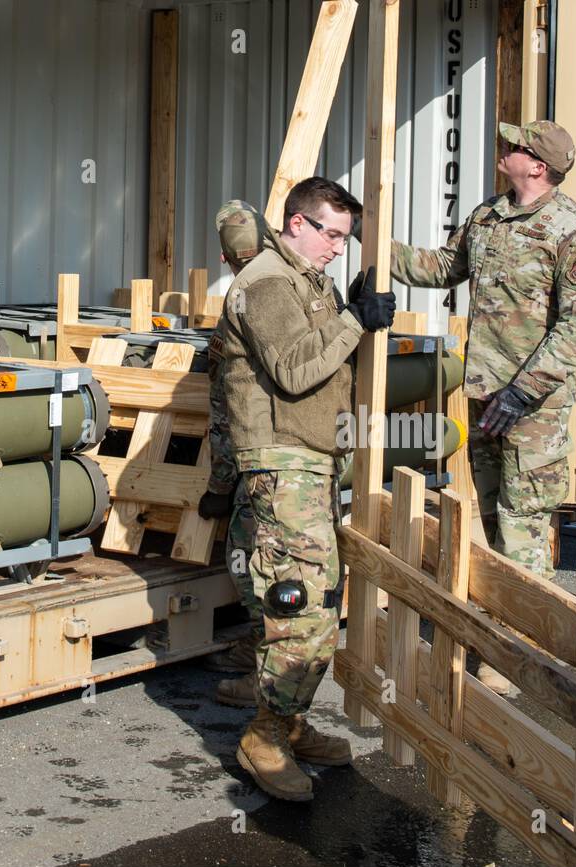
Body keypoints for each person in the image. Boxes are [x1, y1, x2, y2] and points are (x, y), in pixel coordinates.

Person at [390, 119, 576, 693]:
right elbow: (440, 268)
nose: (502, 150)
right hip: (487, 396)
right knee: (492, 520)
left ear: (537, 165)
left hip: (531, 408)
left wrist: (523, 390)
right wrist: (371, 234)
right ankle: (505, 631)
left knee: (525, 524)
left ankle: (524, 657)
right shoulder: (488, 216)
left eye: (514, 147)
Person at [217, 177, 395, 801]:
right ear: (297, 224)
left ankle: (287, 724)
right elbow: (293, 371)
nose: (339, 248)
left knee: (309, 596)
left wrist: (344, 312)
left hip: (306, 459)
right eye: (332, 234)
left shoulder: (302, 278)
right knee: (306, 607)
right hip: (282, 462)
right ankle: (265, 736)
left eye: (347, 238)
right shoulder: (267, 281)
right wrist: (353, 319)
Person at [196, 201, 274, 705]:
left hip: (259, 462)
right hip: (303, 457)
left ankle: (263, 668)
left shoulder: (236, 309)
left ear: (226, 259)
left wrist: (220, 486)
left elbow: (228, 411)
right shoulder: (303, 288)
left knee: (250, 557)